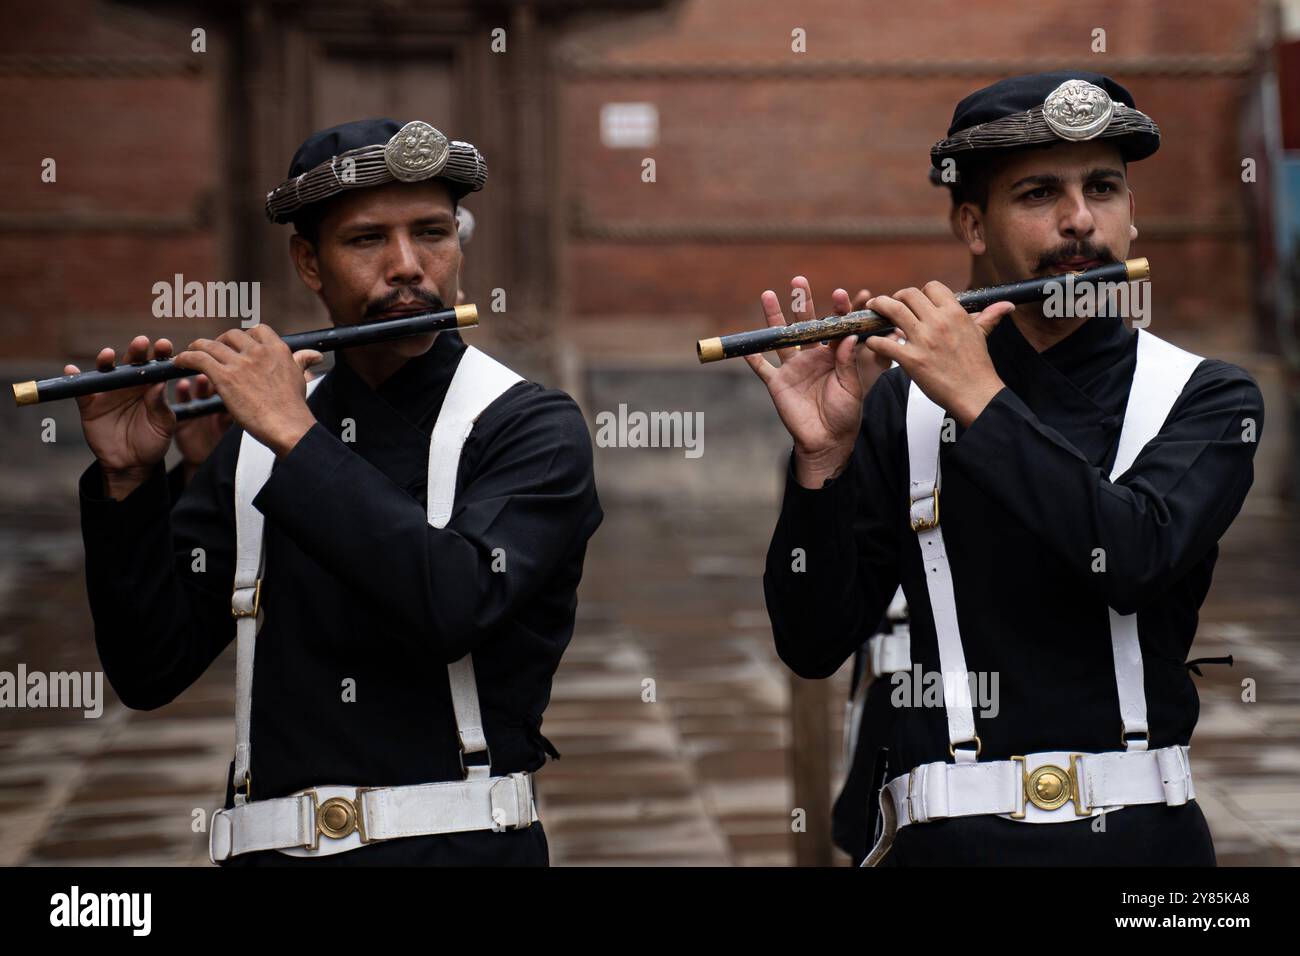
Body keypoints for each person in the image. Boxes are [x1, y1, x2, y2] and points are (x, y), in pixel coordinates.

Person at [749, 72, 1264, 865]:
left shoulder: (1206, 396)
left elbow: (1131, 557)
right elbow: (813, 643)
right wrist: (821, 463)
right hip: (947, 840)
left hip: (1142, 842)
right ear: (973, 226)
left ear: (1134, 213)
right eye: (1037, 194)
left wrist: (981, 398)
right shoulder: (902, 407)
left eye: (1104, 187)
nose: (1080, 220)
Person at [71, 118, 603, 865]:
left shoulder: (530, 427)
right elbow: (150, 669)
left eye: (433, 233)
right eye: (366, 241)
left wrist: (295, 433)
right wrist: (130, 483)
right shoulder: (260, 445)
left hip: (461, 851)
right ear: (309, 264)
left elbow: (454, 603)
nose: (408, 267)